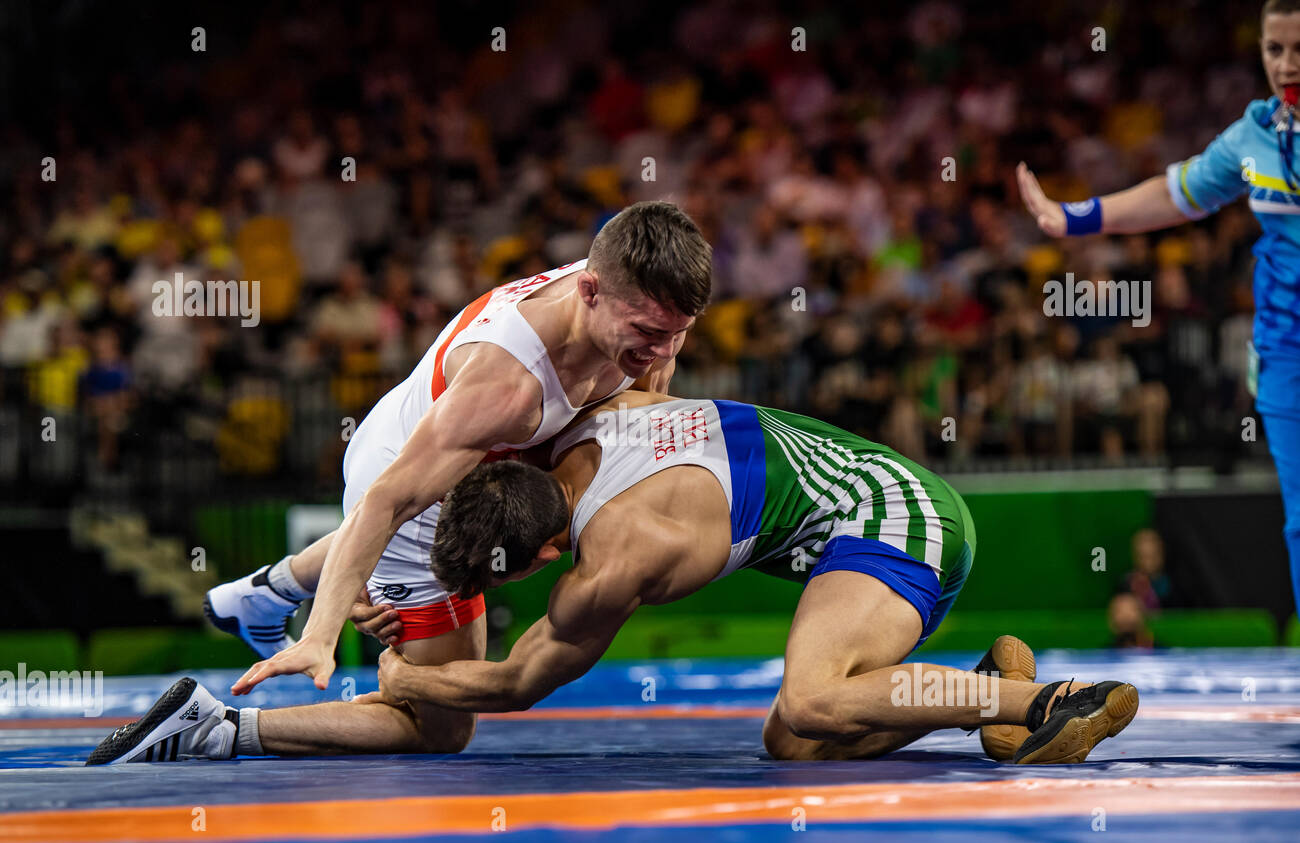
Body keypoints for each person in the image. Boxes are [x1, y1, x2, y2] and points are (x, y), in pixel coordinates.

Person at [91, 393, 1139, 765]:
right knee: (792, 737)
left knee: (810, 697)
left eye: (506, 592)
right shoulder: (568, 431)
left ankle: (1046, 702)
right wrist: (363, 597)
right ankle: (974, 698)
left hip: (897, 517)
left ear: (552, 557)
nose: (501, 609)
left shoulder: (613, 562)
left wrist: (400, 685)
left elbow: (510, 686)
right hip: (850, 517)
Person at [201, 201, 711, 755]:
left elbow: (636, 420)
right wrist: (322, 633)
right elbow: (387, 503)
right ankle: (215, 728)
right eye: (646, 333)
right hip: (408, 489)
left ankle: (266, 592)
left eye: (677, 333)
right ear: (588, 292)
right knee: (439, 730)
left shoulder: (631, 290)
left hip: (457, 439)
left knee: (553, 496)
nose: (662, 352)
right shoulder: (509, 383)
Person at [1017, 0, 1300, 613]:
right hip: (1286, 351)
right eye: (1275, 49)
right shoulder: (1255, 135)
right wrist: (1074, 218)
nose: (1287, 65)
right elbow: (1177, 194)